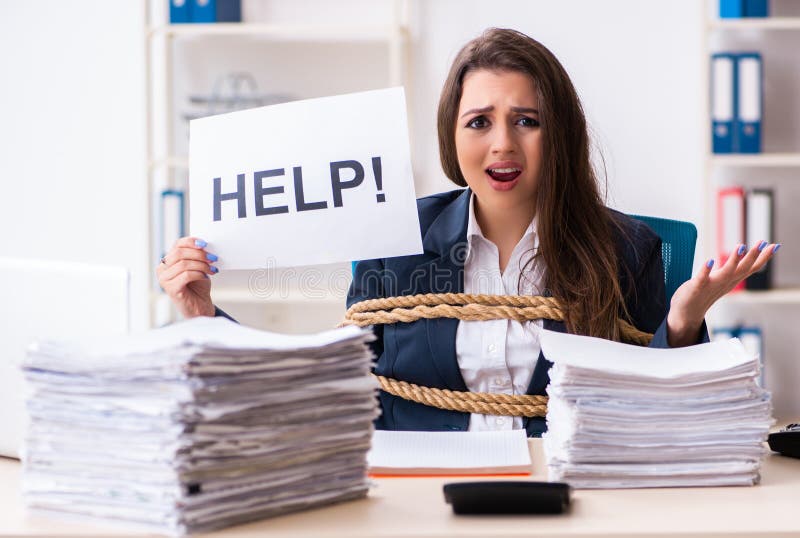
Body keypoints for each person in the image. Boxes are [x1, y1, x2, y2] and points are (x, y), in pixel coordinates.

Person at [157, 28, 779, 437]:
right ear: (452, 138)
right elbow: (331, 385)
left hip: (571, 493)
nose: (502, 143)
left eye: (526, 120)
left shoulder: (626, 251)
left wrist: (682, 323)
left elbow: (661, 416)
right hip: (417, 497)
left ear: (558, 132)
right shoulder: (392, 240)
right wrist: (208, 314)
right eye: (479, 121)